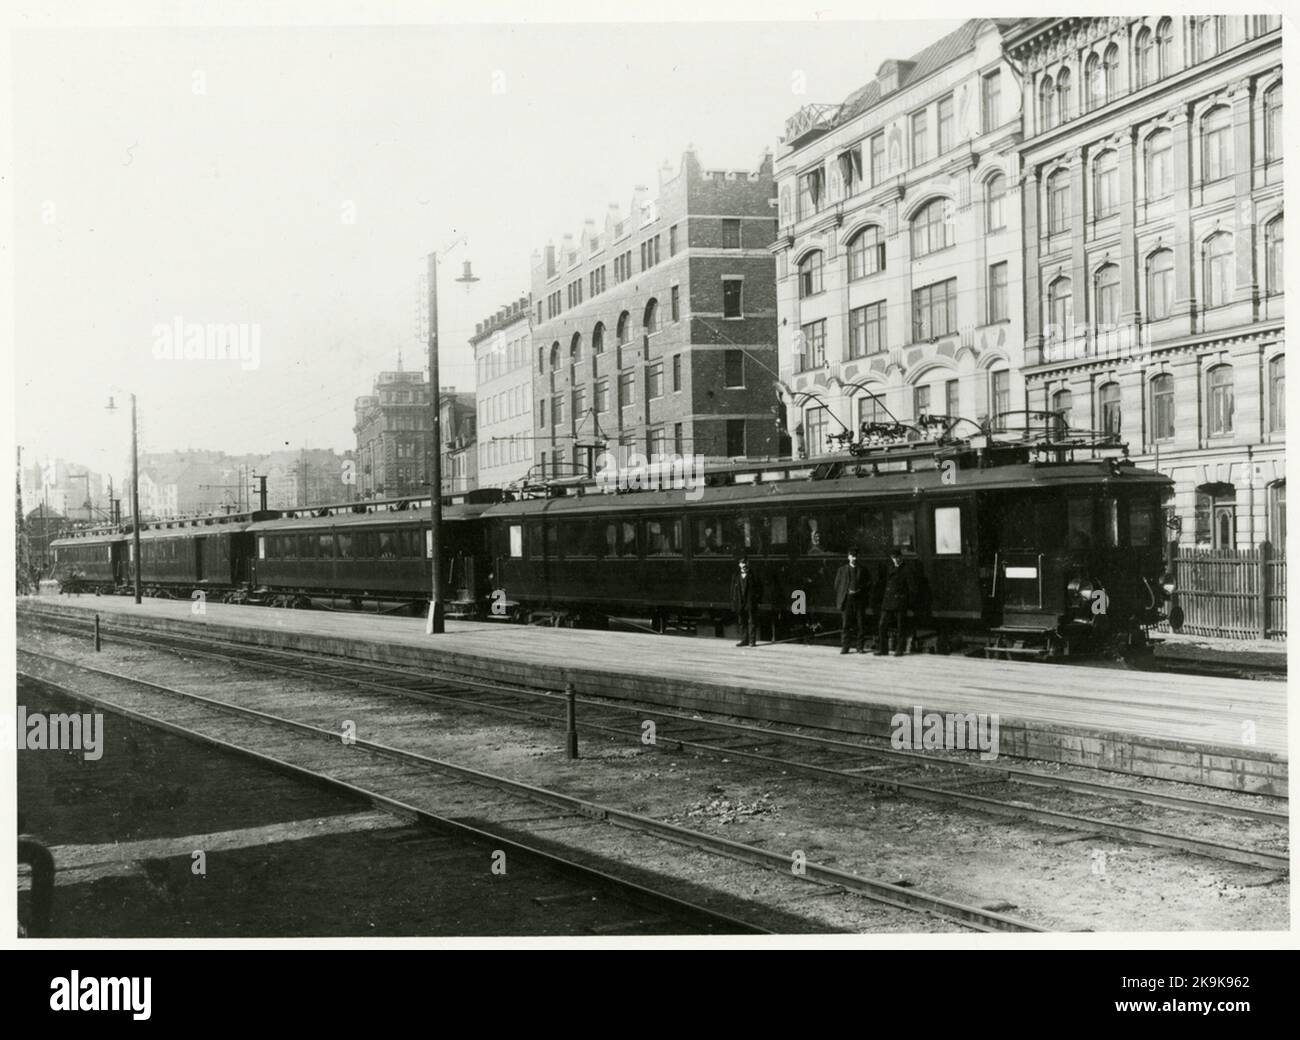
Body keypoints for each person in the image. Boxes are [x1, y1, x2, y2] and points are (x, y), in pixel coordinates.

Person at [876, 546, 917, 656]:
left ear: (901, 557)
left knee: (901, 626)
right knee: (882, 624)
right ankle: (883, 649)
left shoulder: (907, 569)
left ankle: (900, 649)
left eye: (897, 557)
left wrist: (909, 604)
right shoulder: (890, 568)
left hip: (900, 601)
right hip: (888, 601)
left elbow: (912, 588)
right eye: (893, 557)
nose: (895, 559)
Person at [833, 549, 869, 654]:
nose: (854, 558)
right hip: (847, 600)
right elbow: (837, 585)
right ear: (848, 557)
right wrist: (845, 593)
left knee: (860, 624)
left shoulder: (863, 570)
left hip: (859, 600)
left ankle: (860, 647)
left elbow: (868, 584)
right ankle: (845, 647)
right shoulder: (842, 570)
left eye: (856, 556)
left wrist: (860, 590)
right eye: (852, 556)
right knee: (846, 624)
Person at [730, 557, 762, 648]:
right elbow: (732, 590)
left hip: (750, 602)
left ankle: (752, 641)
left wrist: (757, 600)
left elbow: (759, 588)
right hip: (740, 602)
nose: (744, 566)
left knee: (751, 621)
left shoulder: (753, 575)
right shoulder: (736, 576)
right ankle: (745, 640)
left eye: (745, 564)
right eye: (742, 564)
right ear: (739, 565)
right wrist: (733, 601)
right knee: (742, 621)